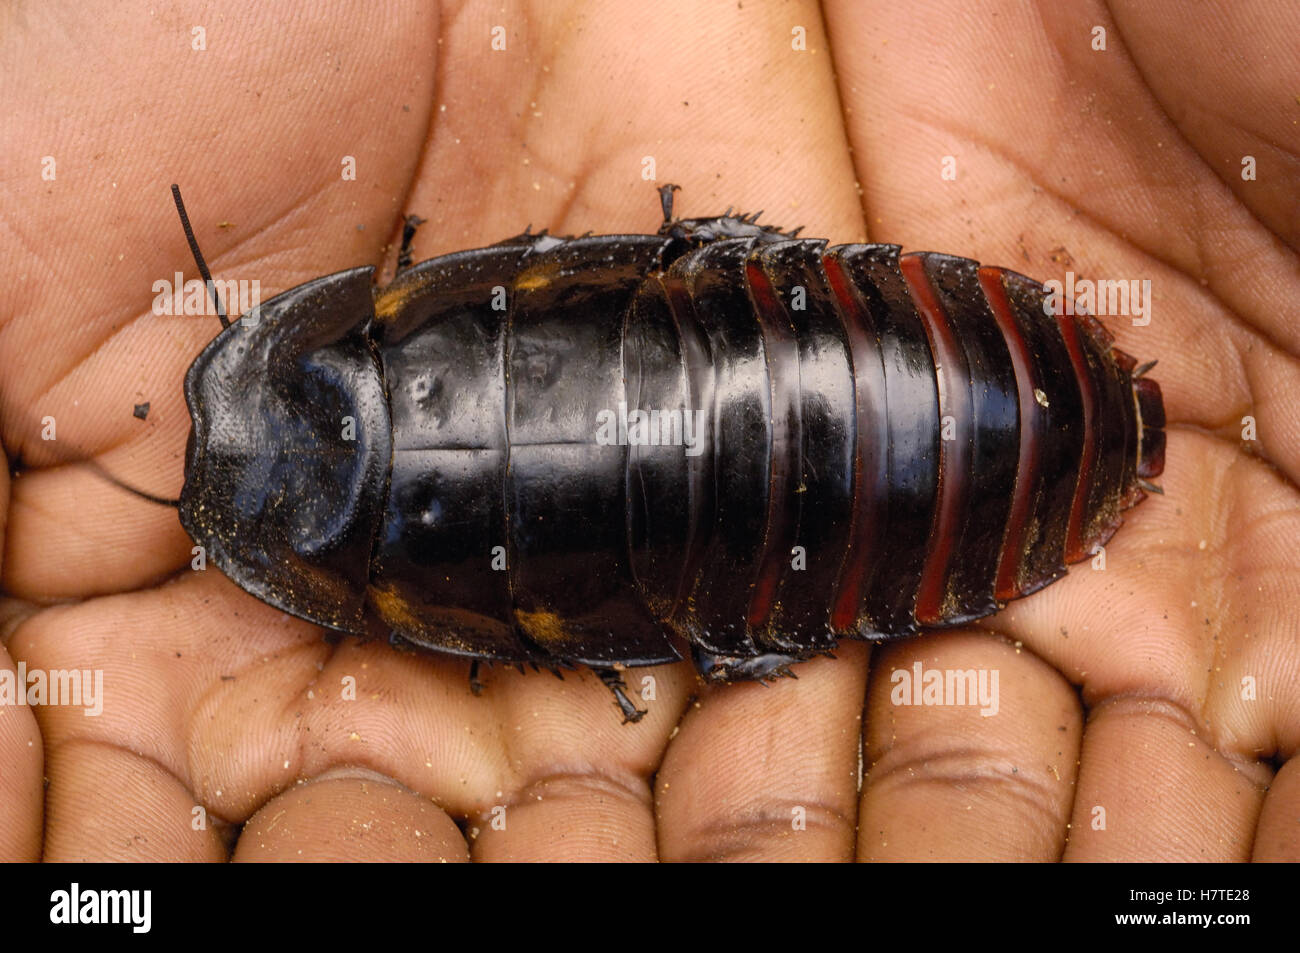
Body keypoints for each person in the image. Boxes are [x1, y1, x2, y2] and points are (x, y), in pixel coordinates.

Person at [1, 0, 1296, 862]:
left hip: (909, 418)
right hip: (814, 347)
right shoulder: (416, 323)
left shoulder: (408, 593)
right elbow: (564, 272)